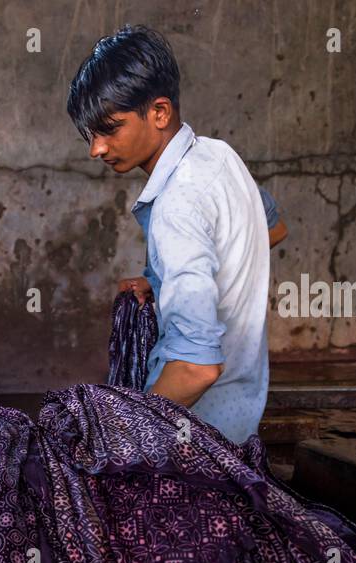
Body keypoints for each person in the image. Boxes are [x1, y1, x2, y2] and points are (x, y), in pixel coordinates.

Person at [67, 25, 272, 444]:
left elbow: (197, 367)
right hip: (243, 415)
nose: (97, 149)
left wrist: (124, 437)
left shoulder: (177, 205)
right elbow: (270, 227)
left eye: (110, 128)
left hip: (197, 436)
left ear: (159, 112)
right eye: (91, 135)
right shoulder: (219, 156)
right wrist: (162, 279)